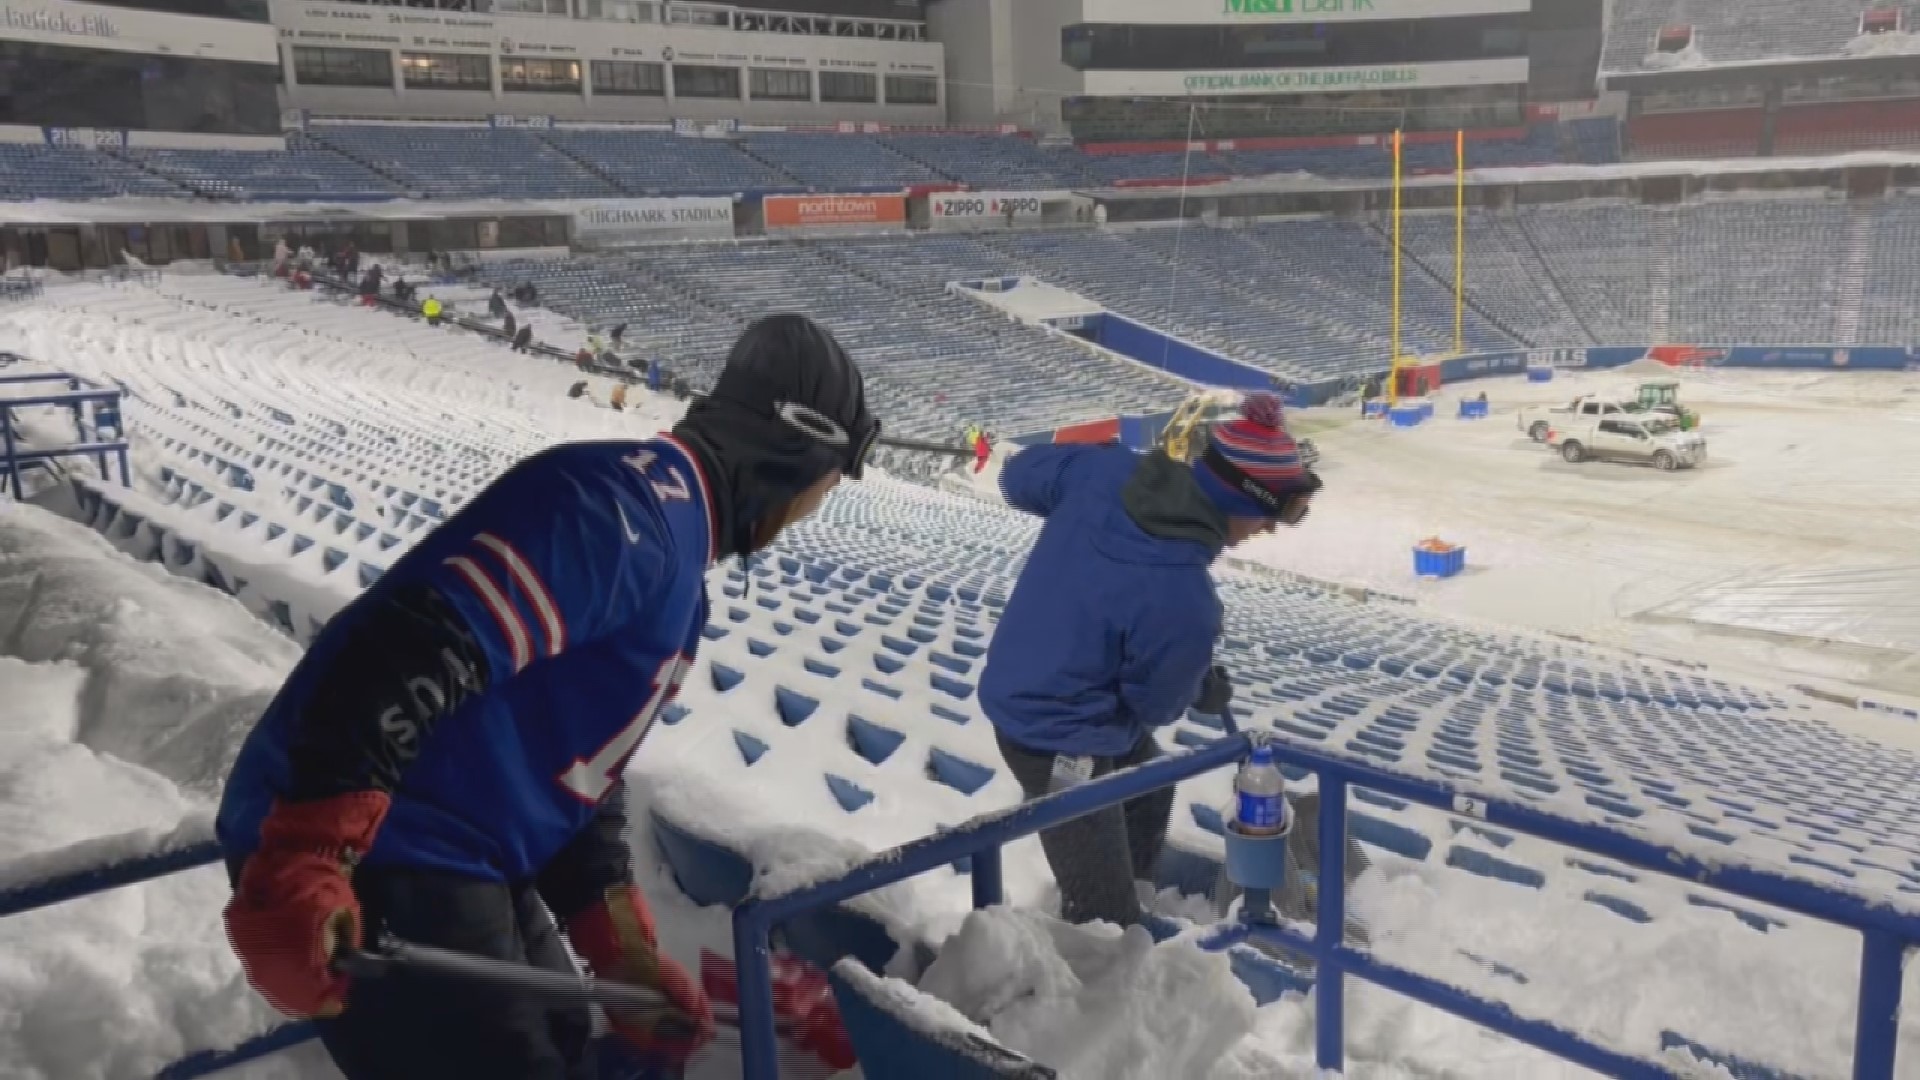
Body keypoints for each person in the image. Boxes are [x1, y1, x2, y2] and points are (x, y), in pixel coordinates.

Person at [215, 314, 880, 1080]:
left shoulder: (671, 548)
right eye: (824, 486)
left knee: (567, 1038)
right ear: (790, 454)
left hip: (462, 847)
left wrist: (620, 952)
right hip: (393, 848)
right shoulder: (627, 512)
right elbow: (413, 645)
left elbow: (573, 765)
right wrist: (306, 854)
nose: (808, 512)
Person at [979, 392, 1320, 928]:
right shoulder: (1186, 600)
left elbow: (1019, 473)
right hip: (1056, 733)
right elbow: (1156, 705)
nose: (1267, 531)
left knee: (1150, 784)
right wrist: (1195, 686)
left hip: (1034, 689)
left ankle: (1132, 885)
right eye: (1268, 517)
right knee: (1102, 915)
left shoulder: (1105, 472)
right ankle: (1107, 929)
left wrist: (1094, 476)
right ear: (1241, 501)